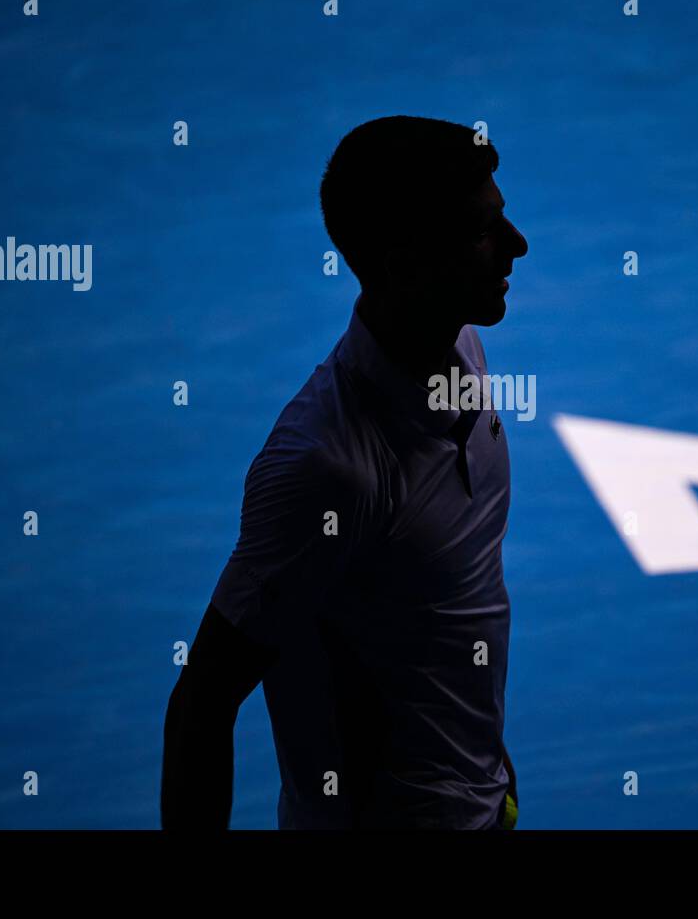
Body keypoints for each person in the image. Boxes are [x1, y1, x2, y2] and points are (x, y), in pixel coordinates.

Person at [161, 115, 529, 829]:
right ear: (403, 264)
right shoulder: (326, 471)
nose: (516, 246)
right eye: (482, 232)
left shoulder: (467, 351)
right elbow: (202, 704)